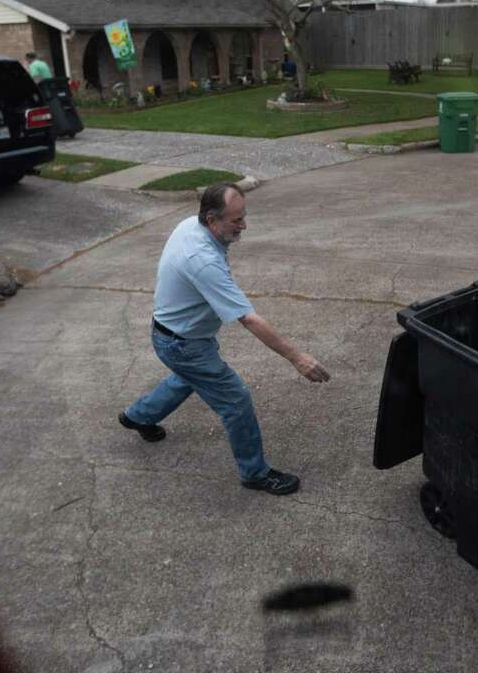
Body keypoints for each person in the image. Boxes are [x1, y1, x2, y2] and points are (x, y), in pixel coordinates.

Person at [120, 183, 330, 496]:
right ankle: (255, 473)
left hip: (174, 334)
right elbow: (248, 318)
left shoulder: (190, 225)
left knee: (188, 379)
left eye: (243, 216)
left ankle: (137, 416)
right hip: (183, 344)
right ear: (211, 218)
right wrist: (297, 358)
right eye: (236, 220)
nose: (244, 225)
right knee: (235, 400)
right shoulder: (203, 261)